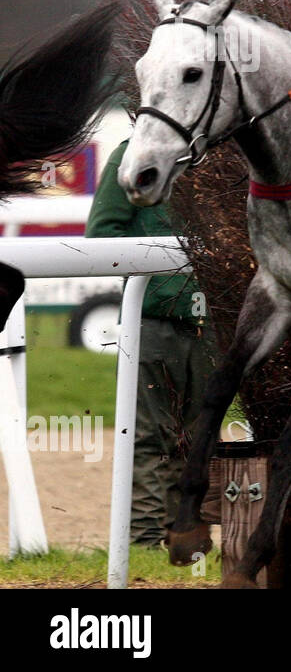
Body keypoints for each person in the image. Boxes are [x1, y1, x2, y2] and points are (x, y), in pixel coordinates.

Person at [86, 139, 215, 548]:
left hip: (214, 325)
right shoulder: (130, 155)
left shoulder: (224, 154)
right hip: (154, 321)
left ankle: (186, 538)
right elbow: (102, 235)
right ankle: (141, 542)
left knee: (201, 438)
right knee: (150, 435)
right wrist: (171, 282)